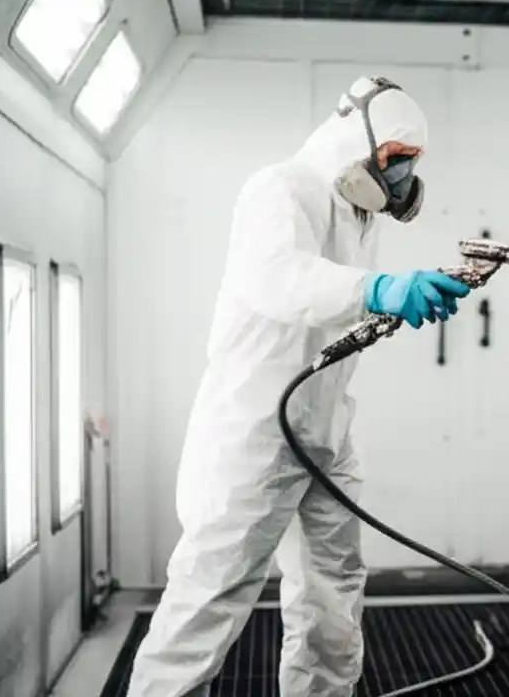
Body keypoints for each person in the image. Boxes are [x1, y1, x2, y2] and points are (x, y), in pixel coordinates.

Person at [127, 77, 469, 697]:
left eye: (410, 163)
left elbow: (328, 315)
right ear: (354, 140)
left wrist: (391, 301)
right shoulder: (280, 188)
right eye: (394, 158)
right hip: (255, 432)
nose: (401, 177)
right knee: (209, 600)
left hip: (325, 430)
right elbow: (278, 278)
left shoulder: (361, 213)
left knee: (331, 590)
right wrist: (376, 290)